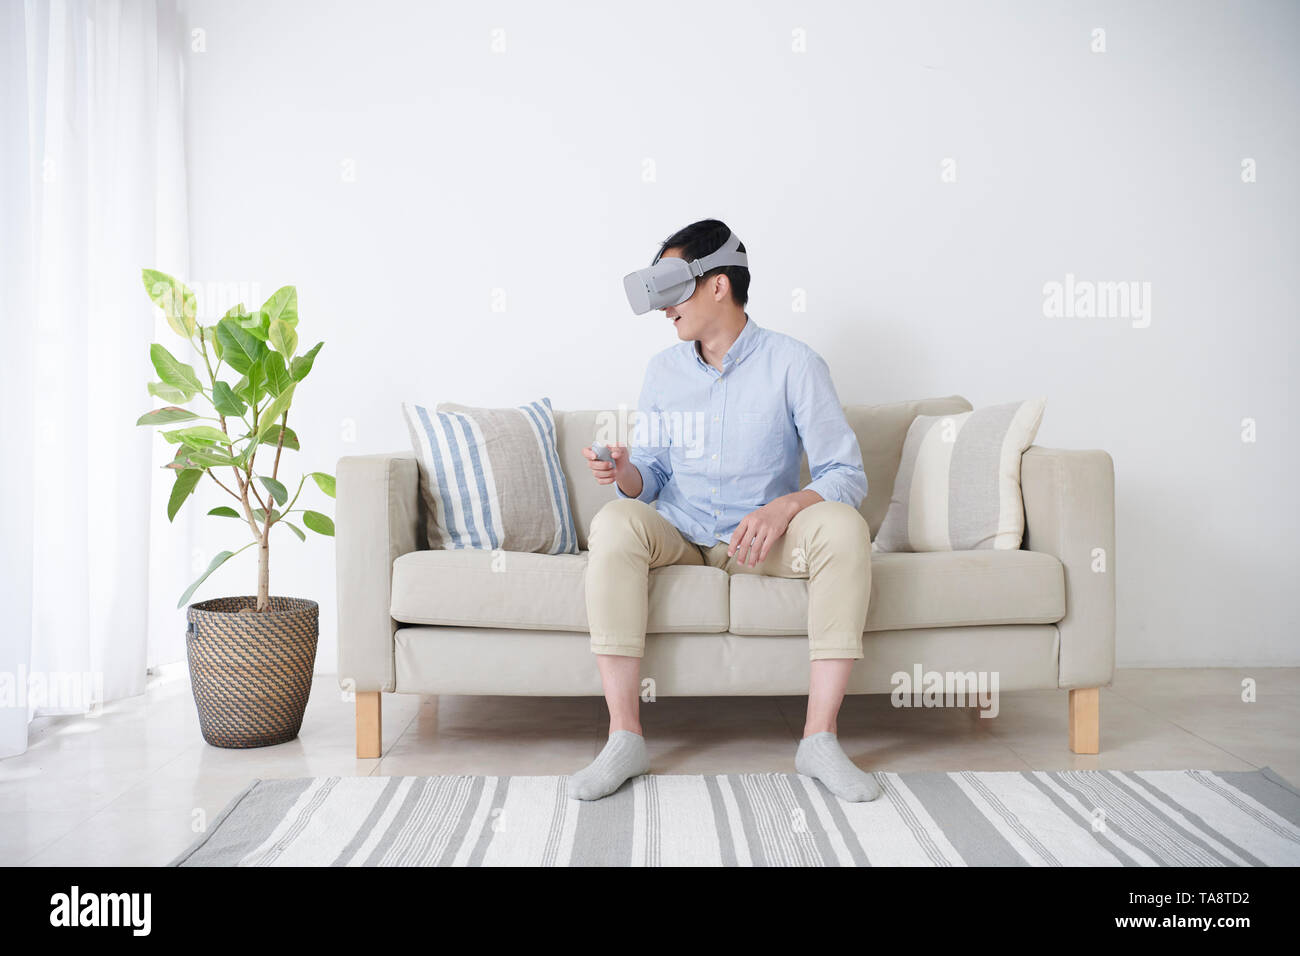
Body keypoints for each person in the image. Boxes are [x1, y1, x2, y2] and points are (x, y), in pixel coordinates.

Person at [568, 219, 879, 803]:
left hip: (759, 543)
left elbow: (847, 475)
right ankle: (625, 736)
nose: (664, 310)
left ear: (717, 284)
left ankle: (819, 739)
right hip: (681, 531)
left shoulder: (795, 364)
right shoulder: (663, 371)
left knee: (842, 525)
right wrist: (625, 472)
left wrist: (785, 507)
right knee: (613, 522)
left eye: (672, 290)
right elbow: (653, 477)